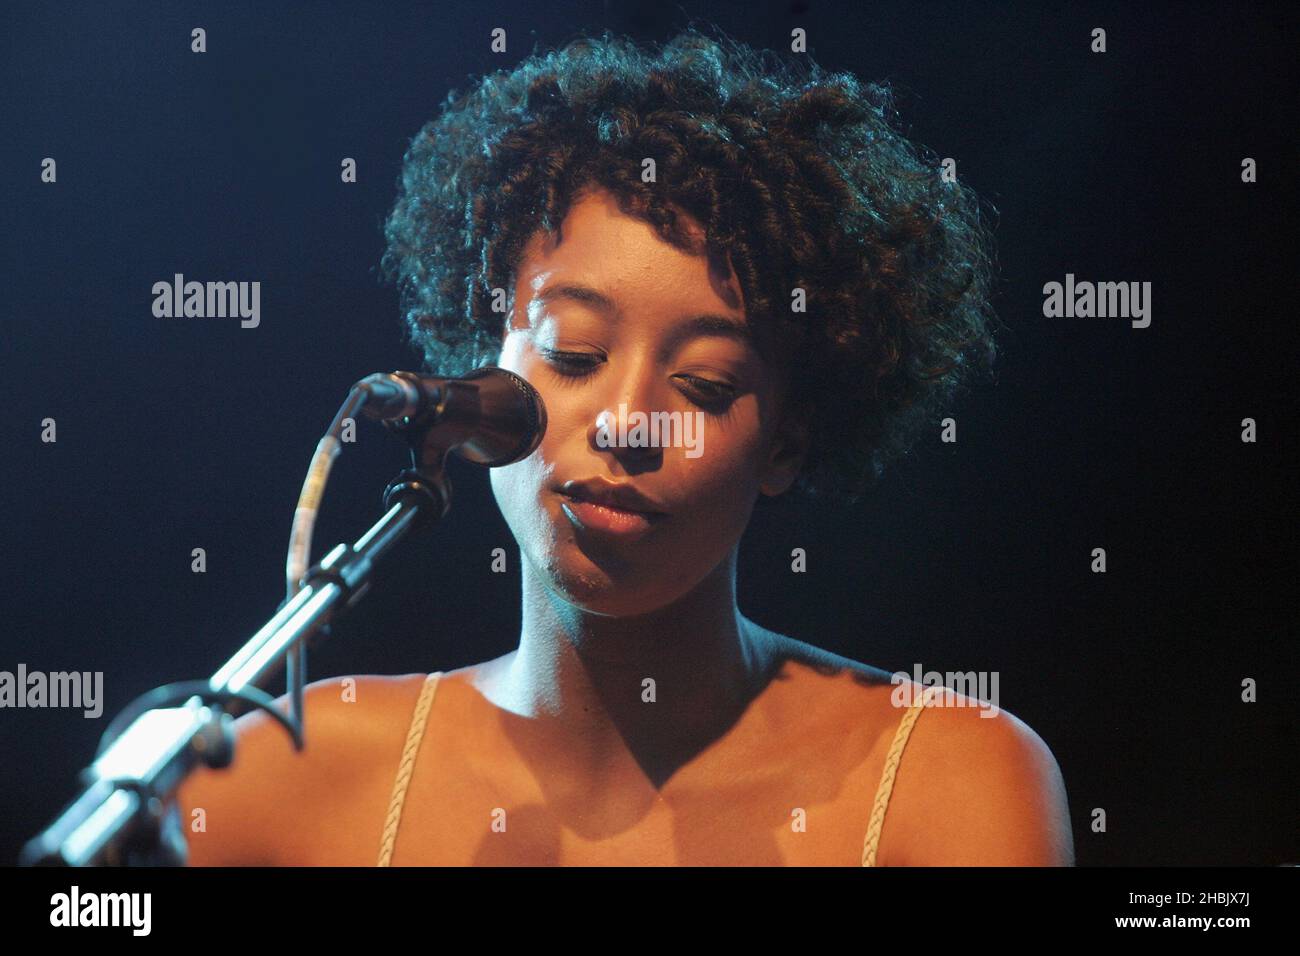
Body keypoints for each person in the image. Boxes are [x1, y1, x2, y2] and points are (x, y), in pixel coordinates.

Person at [176, 27, 1073, 866]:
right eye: (573, 355)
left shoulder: (947, 781)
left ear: (787, 443)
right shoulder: (274, 782)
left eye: (707, 387)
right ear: (483, 370)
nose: (627, 421)